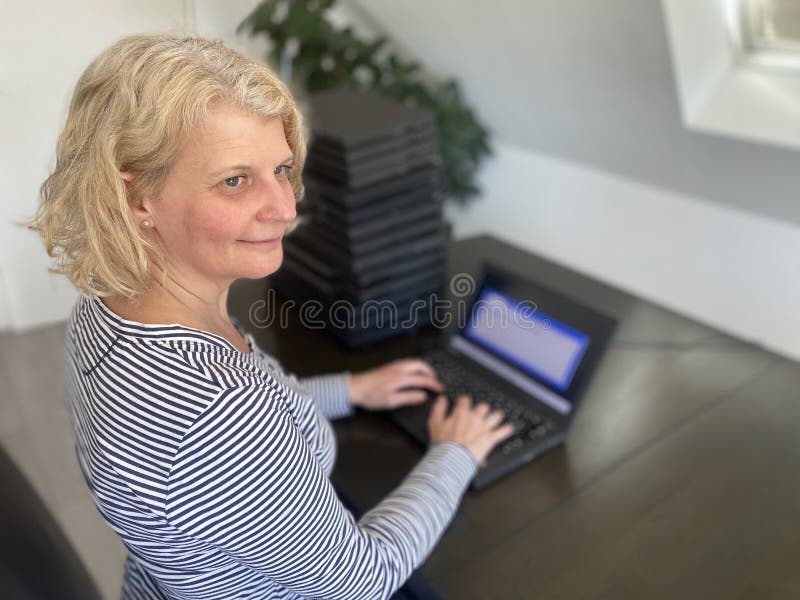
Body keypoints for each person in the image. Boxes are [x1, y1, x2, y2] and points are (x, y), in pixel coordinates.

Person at [29, 33, 514, 599]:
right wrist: (456, 453)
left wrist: (352, 388)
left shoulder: (103, 311)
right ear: (137, 198)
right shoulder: (215, 411)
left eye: (281, 169)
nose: (286, 207)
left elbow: (253, 421)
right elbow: (365, 578)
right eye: (235, 181)